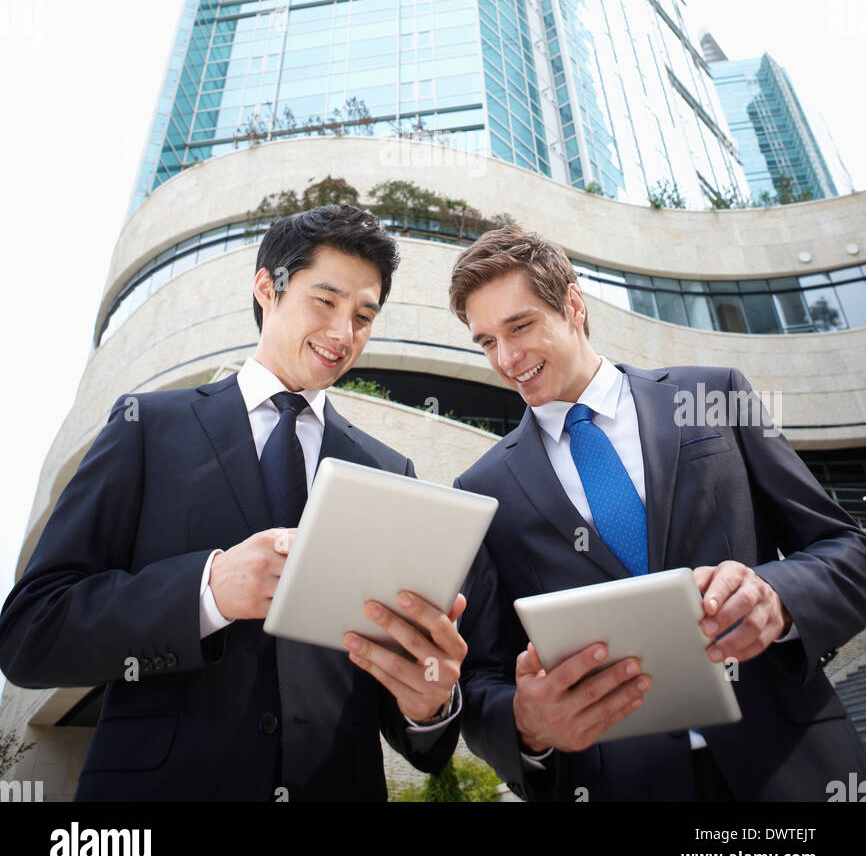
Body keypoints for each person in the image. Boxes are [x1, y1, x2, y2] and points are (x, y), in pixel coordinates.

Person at [0, 205, 465, 802]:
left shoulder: (389, 472)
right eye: (326, 302)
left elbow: (413, 733)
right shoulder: (148, 428)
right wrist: (206, 591)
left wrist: (429, 700)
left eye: (364, 315)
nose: (344, 334)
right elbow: (31, 632)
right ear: (267, 287)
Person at [448, 224, 866, 802]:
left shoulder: (714, 396)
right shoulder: (483, 487)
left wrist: (778, 597)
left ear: (572, 304)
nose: (507, 357)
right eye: (487, 341)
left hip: (792, 765)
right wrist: (528, 724)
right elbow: (482, 677)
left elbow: (848, 550)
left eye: (519, 326)